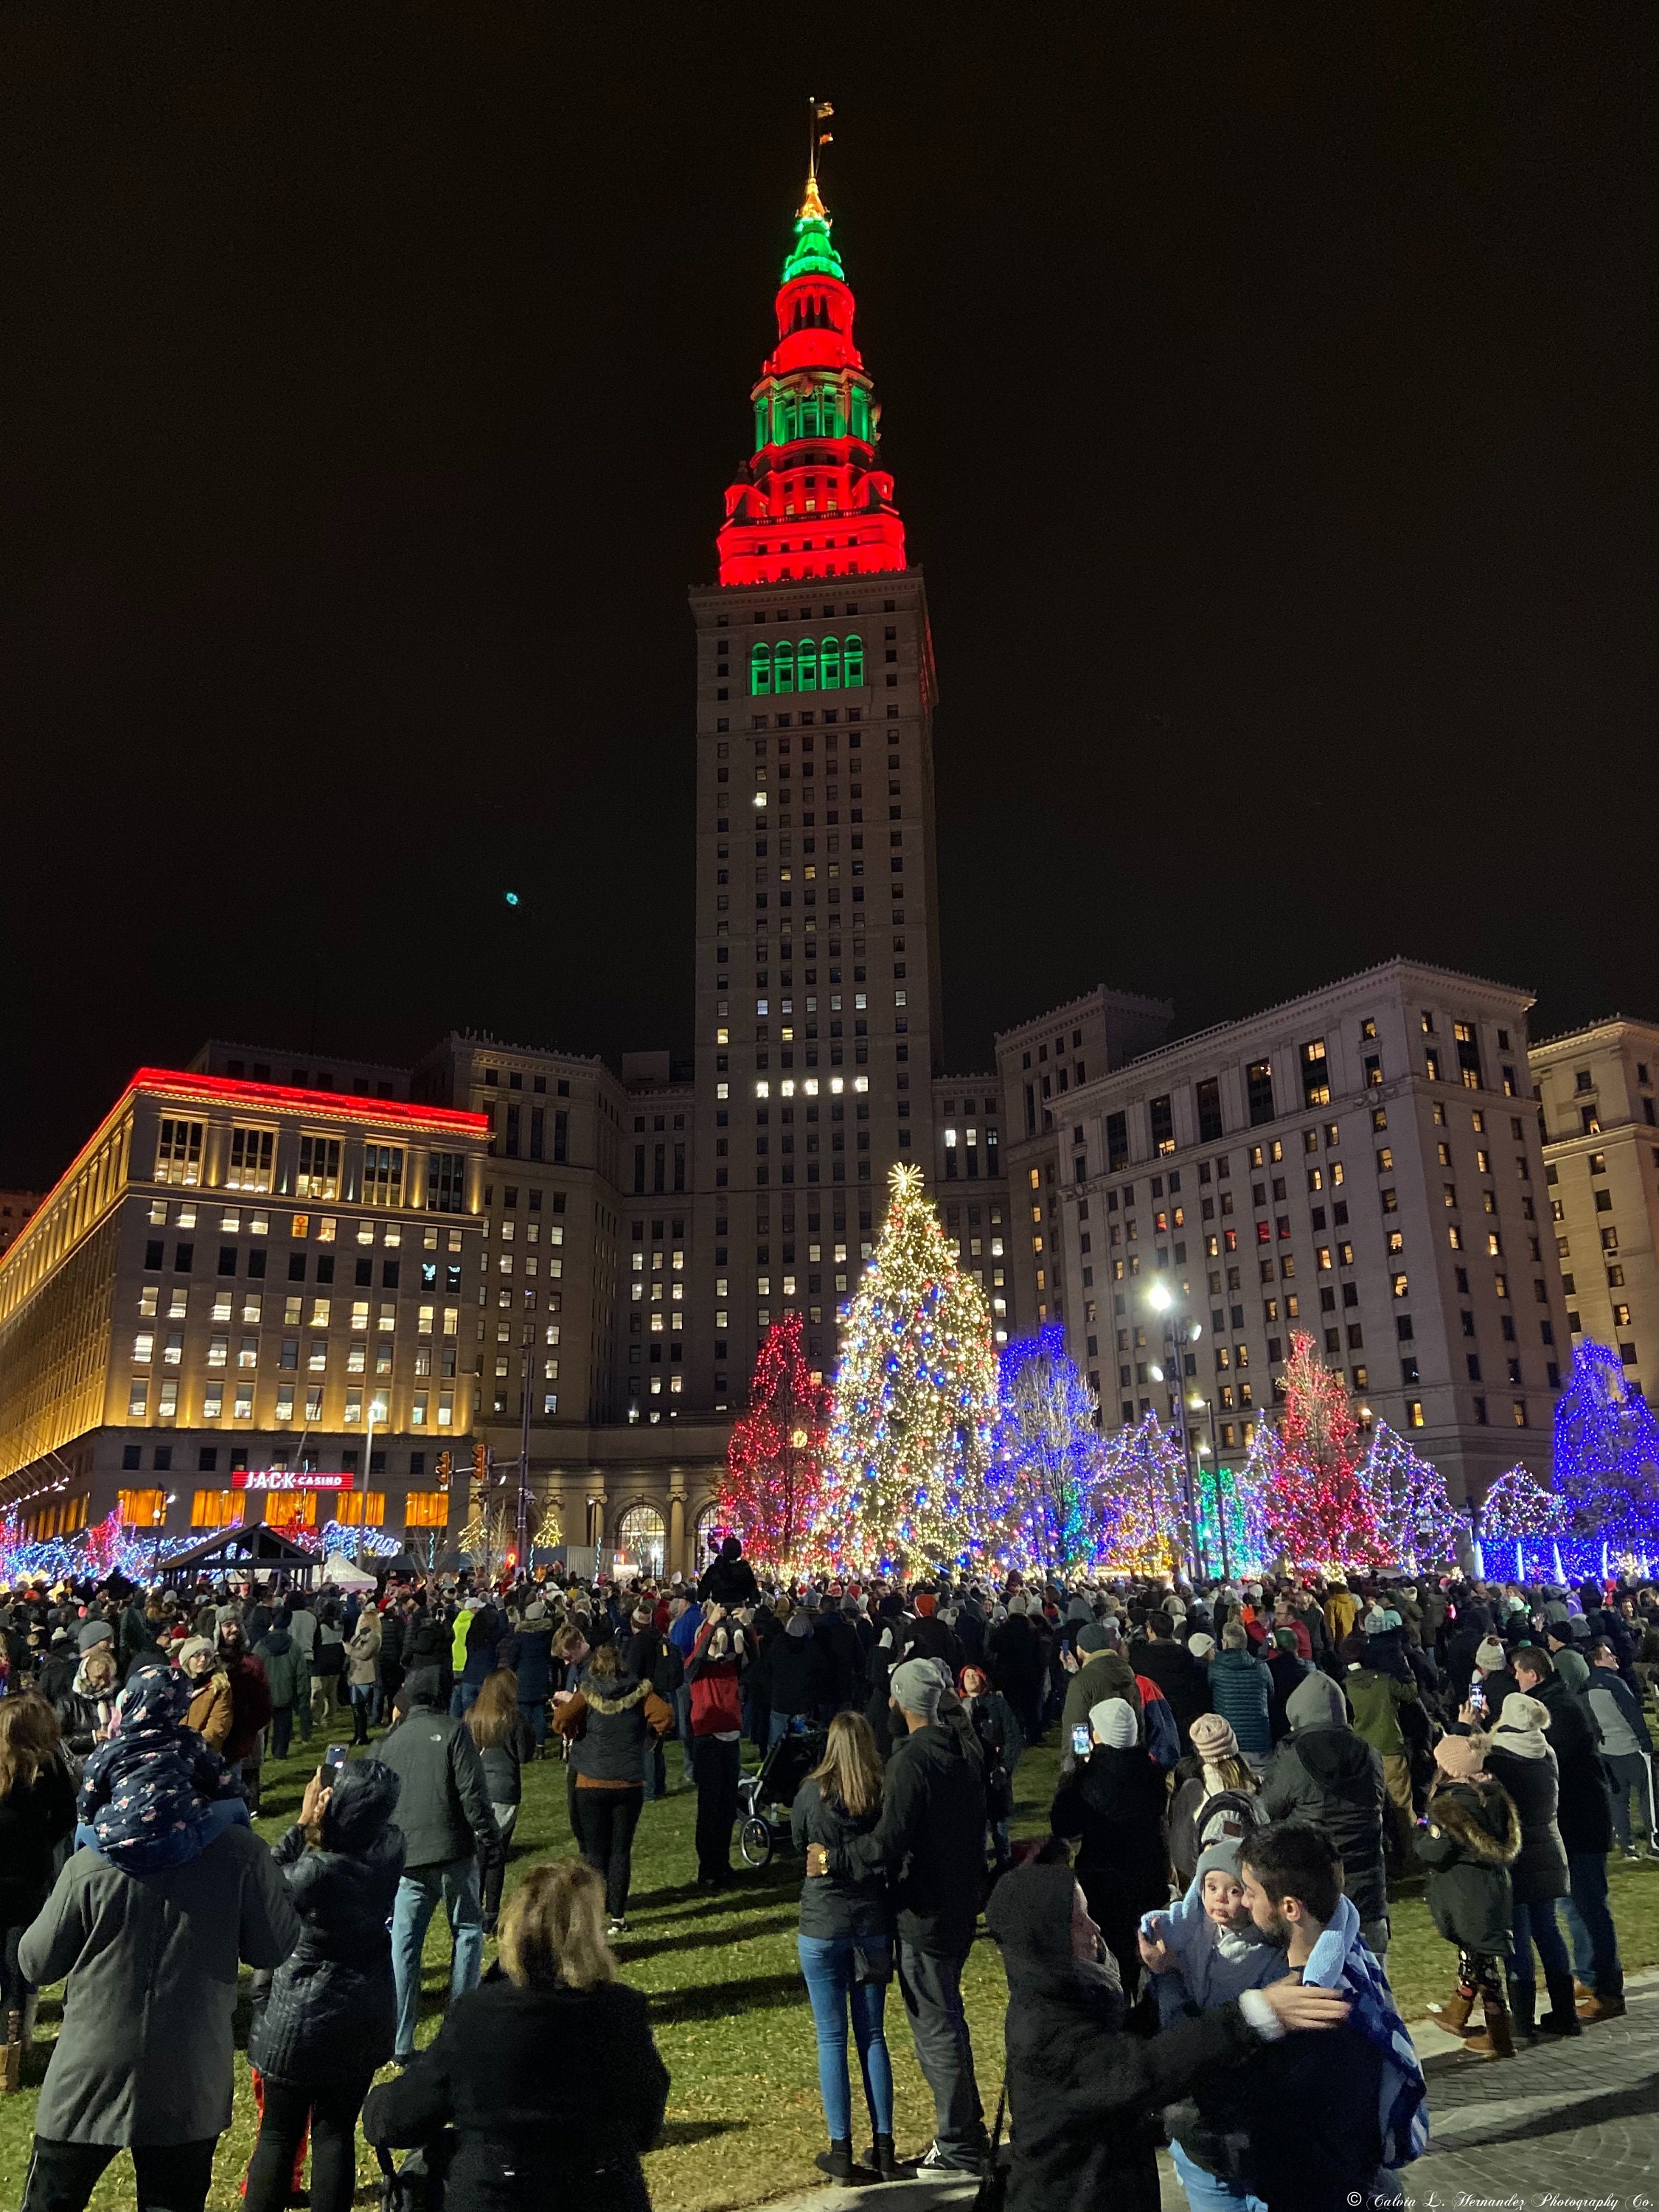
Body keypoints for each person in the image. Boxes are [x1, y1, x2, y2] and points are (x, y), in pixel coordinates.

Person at [17, 1678, 299, 2212]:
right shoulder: (238, 1852)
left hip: (88, 2070)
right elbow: (272, 1948)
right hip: (189, 2075)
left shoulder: (91, 1862)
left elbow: (35, 1961)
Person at [985, 1858, 1350, 2212]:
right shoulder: (1043, 2028)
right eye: (1077, 1920)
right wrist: (1254, 2014)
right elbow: (1142, 2070)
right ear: (1044, 1938)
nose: (1094, 1928)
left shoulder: (1068, 1993)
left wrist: (1167, 1975)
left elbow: (1132, 2042)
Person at [362, 1859, 669, 2212]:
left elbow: (403, 2119)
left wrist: (378, 2106)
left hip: (499, 2190)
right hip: (601, 2189)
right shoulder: (621, 2011)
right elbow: (647, 2121)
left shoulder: (479, 2014)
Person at [808, 1656, 987, 2174]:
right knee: (949, 2019)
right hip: (958, 1903)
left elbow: (888, 1842)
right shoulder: (963, 1750)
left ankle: (958, 2142)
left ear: (903, 1703)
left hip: (924, 1910)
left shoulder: (912, 1763)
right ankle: (967, 2128)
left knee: (936, 2028)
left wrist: (835, 1859)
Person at [1220, 1823, 1427, 2211]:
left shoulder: (1317, 2014)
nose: (1244, 1902)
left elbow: (1312, 2146)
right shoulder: (1353, 1959)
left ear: (1290, 1908)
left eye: (1250, 1892)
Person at [244, 1758, 405, 2212]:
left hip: (303, 2013)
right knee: (335, 2133)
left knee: (279, 2134)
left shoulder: (318, 1871)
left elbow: (265, 1880)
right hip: (364, 2009)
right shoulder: (391, 1847)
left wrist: (303, 1823)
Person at [374, 1660, 500, 2061]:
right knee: (467, 1931)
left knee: (404, 1947)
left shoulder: (390, 1741)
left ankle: (400, 2041)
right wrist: (489, 1837)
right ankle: (460, 2031)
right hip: (453, 1853)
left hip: (407, 1859)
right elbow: (473, 1792)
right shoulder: (453, 1731)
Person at [790, 1712, 897, 2183]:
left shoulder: (811, 1794)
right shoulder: (881, 1794)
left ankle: (841, 2146)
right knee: (873, 2034)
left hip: (823, 1925)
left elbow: (800, 1844)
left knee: (832, 2038)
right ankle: (885, 2145)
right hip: (870, 1922)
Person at [1511, 1644, 1622, 2021]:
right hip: (1575, 1823)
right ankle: (1590, 1976)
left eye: (1518, 1673)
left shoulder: (1556, 1711)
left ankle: (1608, 1991)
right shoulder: (1557, 1703)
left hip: (1581, 1824)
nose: (1515, 1679)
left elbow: (1554, 1764)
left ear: (1533, 1675)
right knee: (1574, 1907)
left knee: (1588, 1908)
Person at [1259, 1671, 1389, 1965]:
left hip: (1313, 1896)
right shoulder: (1370, 1755)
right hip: (1368, 1893)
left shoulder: (1292, 1758)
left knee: (1317, 1984)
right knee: (1372, 1981)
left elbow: (1267, 1809)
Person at [1048, 1699, 1168, 1997]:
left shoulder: (1090, 1778)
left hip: (1103, 1879)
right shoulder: (1152, 1773)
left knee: (1108, 1955)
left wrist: (1072, 1777)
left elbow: (1064, 1824)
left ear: (1100, 1733)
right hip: (1146, 1875)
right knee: (1139, 1950)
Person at [553, 1640, 672, 1934]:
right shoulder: (640, 1692)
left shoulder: (587, 1692)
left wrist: (575, 1728)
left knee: (594, 1852)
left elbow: (561, 1720)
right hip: (628, 1782)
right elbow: (665, 1716)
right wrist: (649, 1738)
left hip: (591, 1780)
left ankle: (593, 1915)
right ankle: (617, 1916)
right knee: (620, 1850)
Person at [1415, 1732, 1520, 2058]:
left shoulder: (1450, 1806)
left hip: (1467, 1894)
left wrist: (1420, 1834)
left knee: (1484, 1964)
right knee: (1474, 1955)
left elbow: (1435, 1852)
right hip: (1492, 1889)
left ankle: (1499, 2037)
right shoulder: (1493, 1794)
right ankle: (1457, 2013)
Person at [1482, 1689, 1576, 2039]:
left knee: (1519, 1937)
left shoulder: (1498, 1758)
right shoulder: (1546, 1753)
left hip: (1517, 1856)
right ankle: (1566, 2014)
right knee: (1548, 1931)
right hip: (1550, 1849)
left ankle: (1522, 2021)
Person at [0, 1697, 77, 2093]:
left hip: (22, 1878)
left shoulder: (42, 1767)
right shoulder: (47, 1767)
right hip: (27, 1880)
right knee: (15, 1966)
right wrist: (40, 1844)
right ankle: (7, 2061)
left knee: (12, 1965)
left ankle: (7, 2058)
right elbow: (67, 1816)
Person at [684, 1604, 749, 1888]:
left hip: (730, 1739)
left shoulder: (729, 1667)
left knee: (726, 1807)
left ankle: (722, 1863)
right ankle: (708, 1868)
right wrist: (710, 1625)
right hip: (708, 1741)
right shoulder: (697, 1669)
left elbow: (753, 1658)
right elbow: (698, 1655)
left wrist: (746, 1626)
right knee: (709, 1808)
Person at [467, 1669, 535, 1934]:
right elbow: (524, 1755)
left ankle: (472, 1911)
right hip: (505, 1791)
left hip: (477, 1790)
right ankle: (491, 1914)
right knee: (496, 1856)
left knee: (478, 1856)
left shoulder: (473, 1716)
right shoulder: (514, 1719)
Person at [1166, 1713, 1266, 1891]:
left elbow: (1181, 1850)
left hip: (1206, 1885)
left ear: (1199, 1752)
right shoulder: (1258, 1784)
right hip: (1251, 1883)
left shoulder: (1193, 1792)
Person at [1587, 1638, 1657, 1857]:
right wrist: (1646, 1743)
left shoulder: (1585, 1687)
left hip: (1608, 1751)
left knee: (1619, 1800)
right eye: (1609, 1655)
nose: (1614, 1657)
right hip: (1631, 1748)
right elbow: (1633, 1714)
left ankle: (1627, 1847)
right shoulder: (1615, 1683)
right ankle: (1654, 1843)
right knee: (1649, 1798)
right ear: (1597, 1661)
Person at [1136, 1610, 1213, 1747]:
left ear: (1150, 1630)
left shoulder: (1140, 1659)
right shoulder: (1187, 1656)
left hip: (1155, 1723)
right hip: (1185, 1721)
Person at [1206, 1624, 1273, 1766]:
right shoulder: (1261, 1667)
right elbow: (1271, 1696)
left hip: (1228, 1742)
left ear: (1225, 1643)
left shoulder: (1214, 1668)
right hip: (1259, 1742)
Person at [254, 1613, 300, 1763]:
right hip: (285, 1691)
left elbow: (253, 1666)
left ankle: (260, 1753)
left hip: (265, 1692)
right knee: (283, 1725)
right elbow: (301, 1672)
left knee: (262, 1727)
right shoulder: (293, 1646)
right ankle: (280, 1752)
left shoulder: (261, 1645)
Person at [177, 1637, 232, 1753]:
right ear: (187, 1659)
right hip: (174, 1751)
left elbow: (218, 1726)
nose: (203, 1659)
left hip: (201, 1752)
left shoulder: (219, 1685)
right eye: (197, 1655)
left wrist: (194, 1746)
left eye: (207, 1655)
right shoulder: (176, 1684)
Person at [344, 1604, 382, 1747]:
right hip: (354, 1675)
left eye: (364, 1620)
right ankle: (357, 1735)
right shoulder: (358, 1636)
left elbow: (365, 1654)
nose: (361, 1622)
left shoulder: (374, 1637)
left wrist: (349, 1650)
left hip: (365, 1675)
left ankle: (362, 1735)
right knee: (355, 1708)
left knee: (361, 1707)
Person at [698, 1532, 761, 1609]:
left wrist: (702, 1600)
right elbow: (753, 1591)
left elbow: (702, 1592)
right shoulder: (745, 1569)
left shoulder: (714, 1569)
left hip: (717, 1609)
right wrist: (754, 1603)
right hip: (740, 1609)